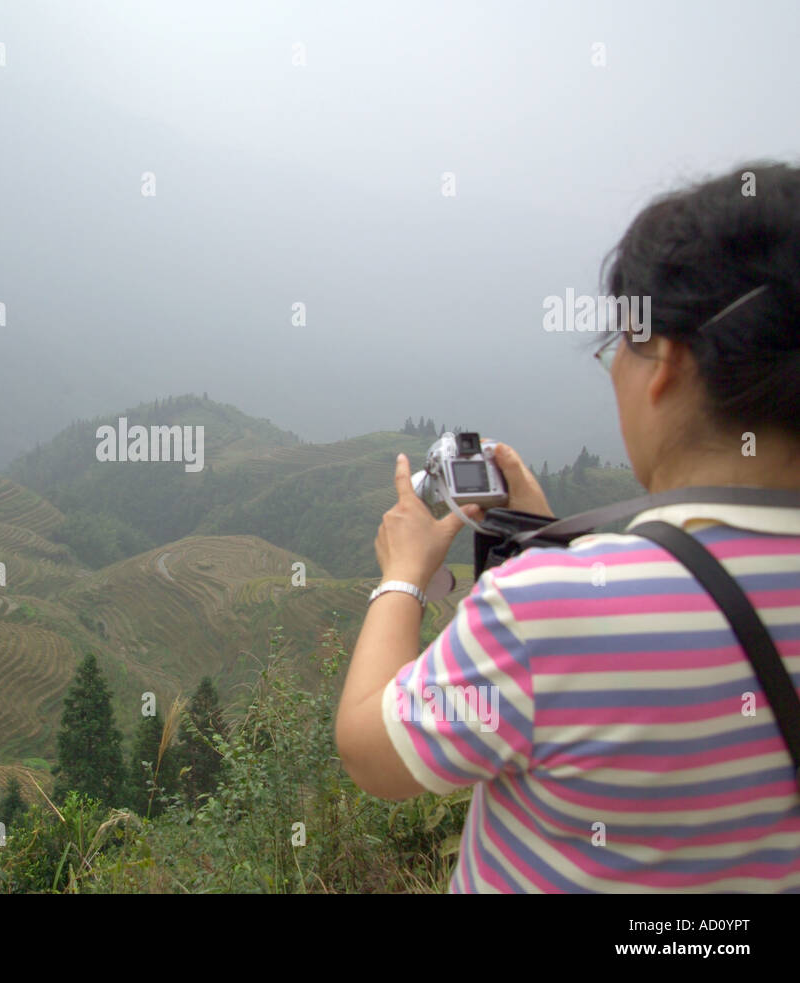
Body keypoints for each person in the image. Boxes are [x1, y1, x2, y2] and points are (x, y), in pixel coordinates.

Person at [335, 160, 800, 892]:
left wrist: (402, 576)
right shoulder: (567, 597)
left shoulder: (547, 610)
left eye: (618, 343)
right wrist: (555, 541)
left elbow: (369, 748)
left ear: (666, 364)